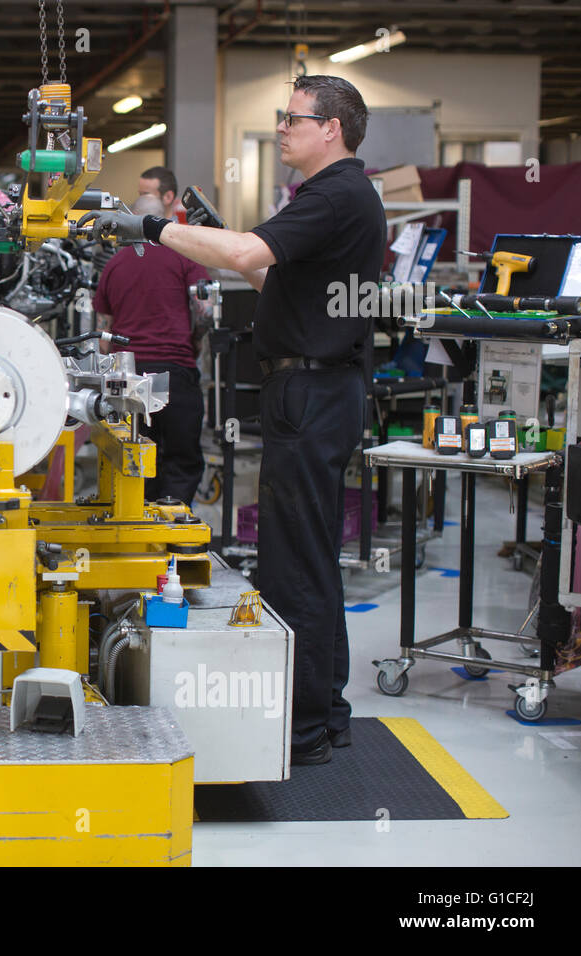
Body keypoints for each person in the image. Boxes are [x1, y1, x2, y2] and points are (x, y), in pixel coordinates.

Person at [90, 75, 386, 765]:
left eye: (293, 118)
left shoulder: (336, 193)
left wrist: (157, 229)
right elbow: (269, 279)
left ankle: (304, 728)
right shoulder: (333, 197)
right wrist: (205, 233)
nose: (283, 127)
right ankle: (327, 710)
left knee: (293, 564)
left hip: (311, 395)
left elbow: (249, 254)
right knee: (309, 555)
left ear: (331, 129)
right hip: (317, 389)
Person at [93, 191, 210, 504]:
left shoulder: (114, 265)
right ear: (163, 220)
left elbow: (104, 331)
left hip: (129, 376)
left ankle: (138, 529)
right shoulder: (185, 256)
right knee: (181, 459)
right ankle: (173, 534)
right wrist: (194, 345)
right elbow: (205, 309)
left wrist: (107, 376)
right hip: (175, 372)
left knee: (134, 456)